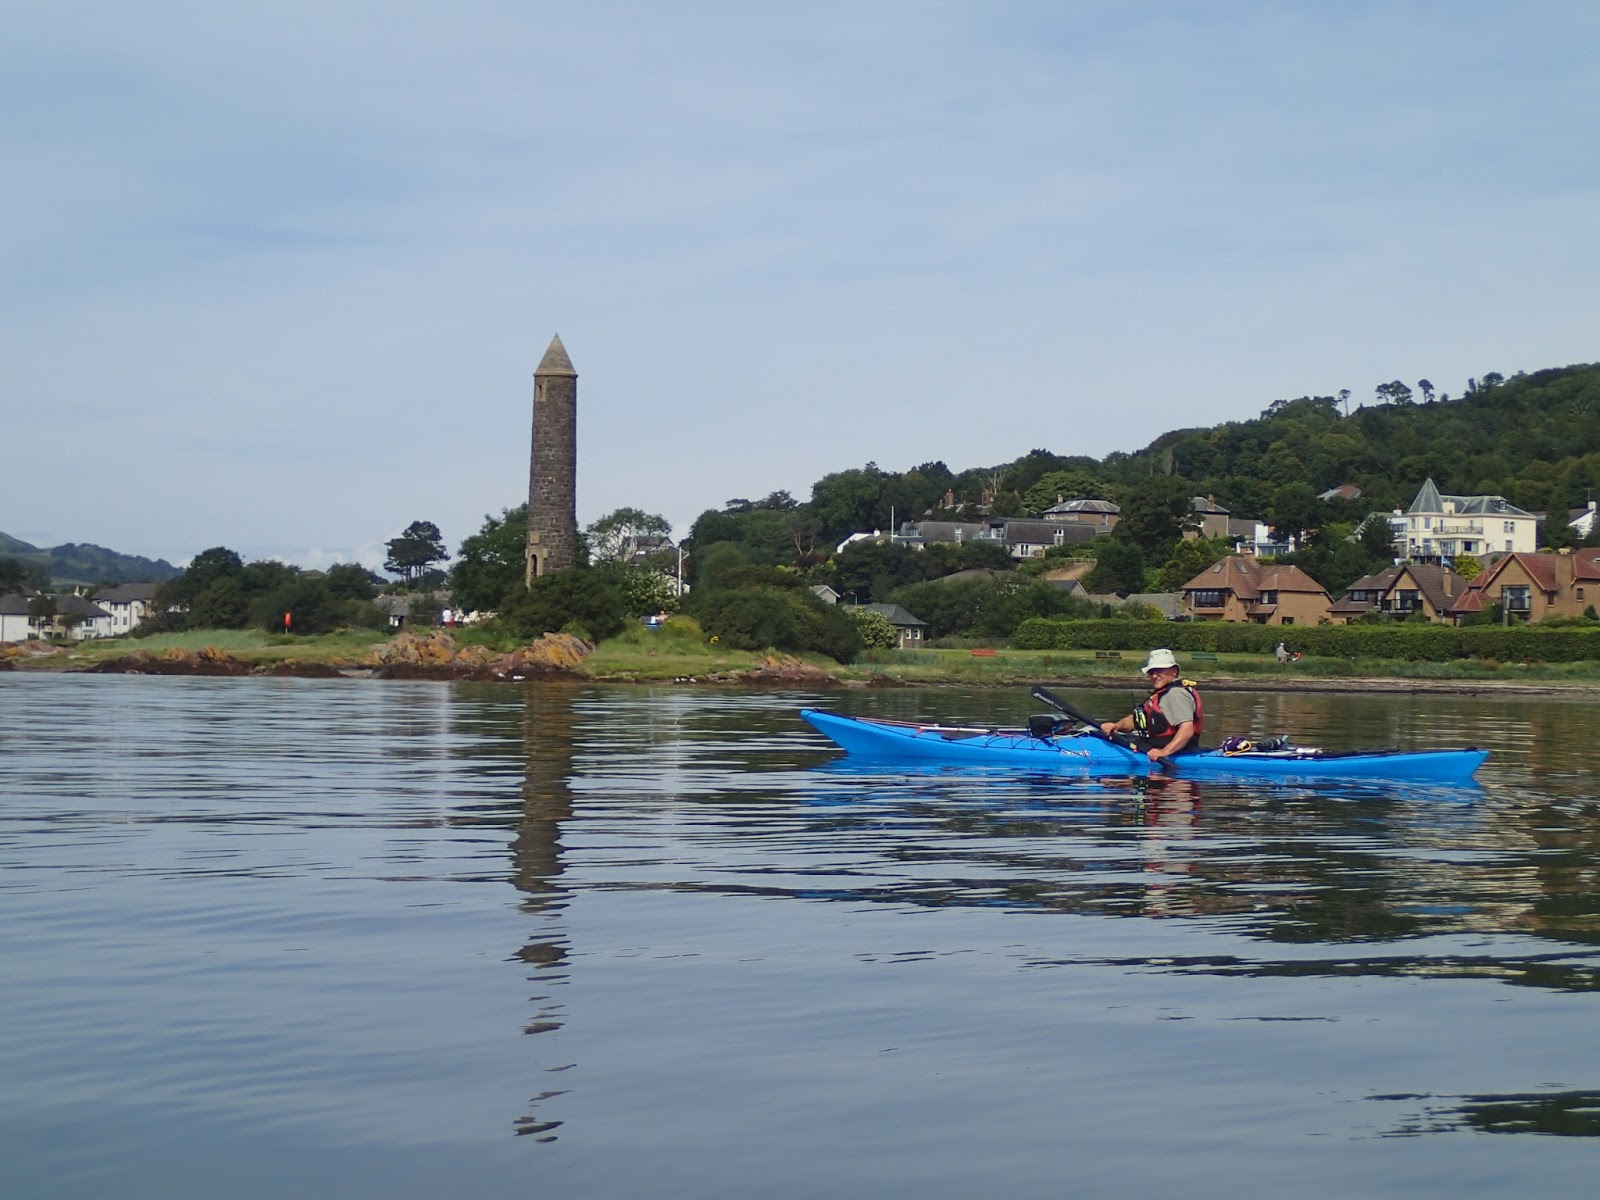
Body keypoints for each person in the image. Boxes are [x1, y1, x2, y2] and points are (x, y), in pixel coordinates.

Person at [1100, 648, 1204, 763]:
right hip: (1156, 745)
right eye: (1151, 672)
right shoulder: (1161, 693)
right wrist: (1117, 726)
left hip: (1178, 751)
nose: (1154, 676)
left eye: (1159, 670)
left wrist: (1164, 752)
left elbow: (1187, 731)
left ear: (1174, 671)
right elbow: (1136, 720)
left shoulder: (1175, 694)